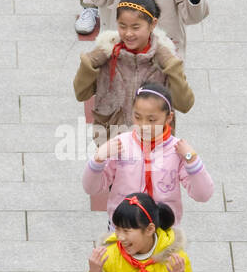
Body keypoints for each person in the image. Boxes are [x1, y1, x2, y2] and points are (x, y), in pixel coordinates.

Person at [83, 83, 213, 224]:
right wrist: (98, 159)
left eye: (152, 120)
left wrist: (191, 159)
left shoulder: (178, 150)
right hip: (124, 230)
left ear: (168, 118)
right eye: (137, 117)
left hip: (163, 232)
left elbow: (203, 195)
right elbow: (91, 188)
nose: (143, 125)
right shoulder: (120, 145)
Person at [73, 0, 194, 137]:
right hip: (112, 145)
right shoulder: (107, 55)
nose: (128, 33)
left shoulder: (164, 62)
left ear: (152, 24)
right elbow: (81, 93)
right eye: (122, 26)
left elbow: (185, 104)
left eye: (136, 27)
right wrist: (90, 61)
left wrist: (172, 66)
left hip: (154, 147)